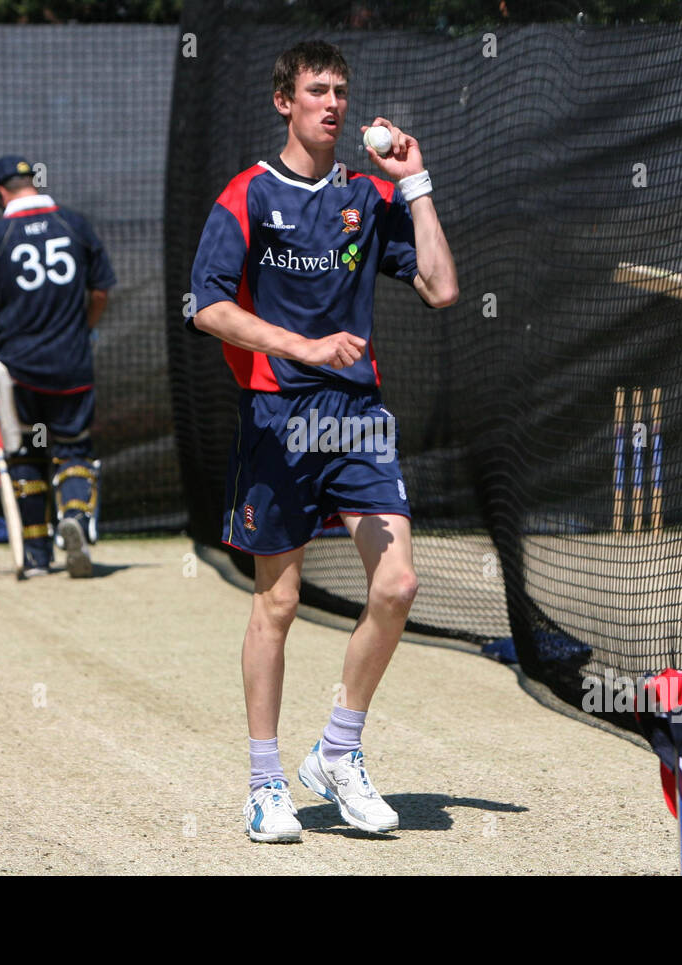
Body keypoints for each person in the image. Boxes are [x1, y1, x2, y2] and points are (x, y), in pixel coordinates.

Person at [188, 41, 458, 842]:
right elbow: (204, 305)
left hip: (356, 418)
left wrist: (416, 182)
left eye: (341, 91)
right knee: (279, 600)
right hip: (278, 414)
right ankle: (266, 781)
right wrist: (298, 346)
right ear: (285, 101)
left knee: (398, 584)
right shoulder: (248, 194)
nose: (333, 104)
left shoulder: (369, 197)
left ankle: (337, 751)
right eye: (317, 90)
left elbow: (442, 287)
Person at [0, 155, 115, 577]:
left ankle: (37, 554)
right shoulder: (75, 225)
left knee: (27, 453)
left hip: (20, 370)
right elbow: (100, 290)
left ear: (0, 191)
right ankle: (76, 521)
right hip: (72, 365)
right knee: (73, 447)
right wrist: (84, 328)